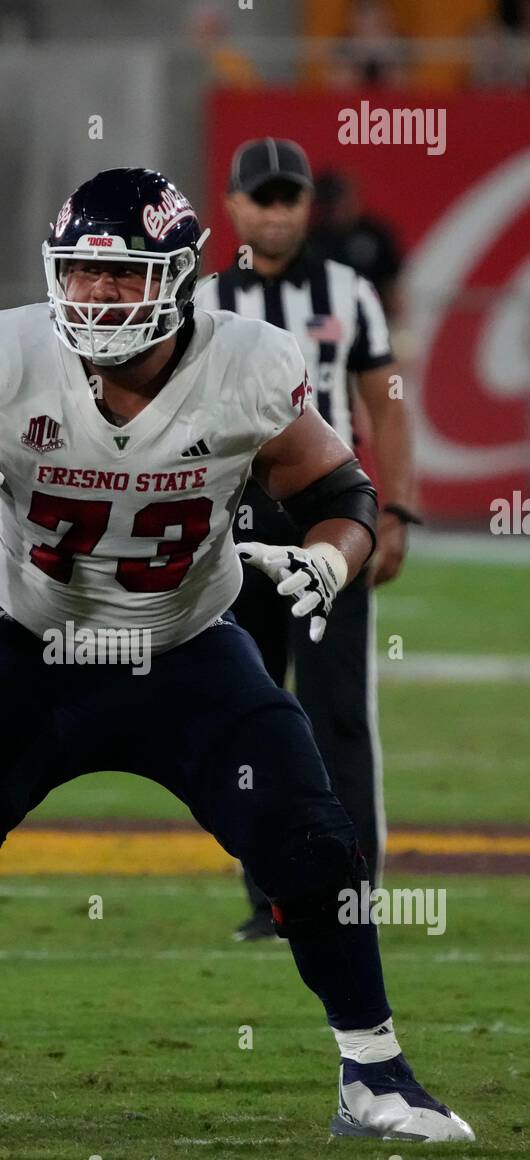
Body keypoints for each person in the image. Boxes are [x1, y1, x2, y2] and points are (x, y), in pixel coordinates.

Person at [0, 167, 471, 1142]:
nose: (95, 296)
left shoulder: (243, 365)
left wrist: (329, 562)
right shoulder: (7, 359)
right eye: (79, 275)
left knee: (307, 831)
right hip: (26, 645)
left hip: (183, 648)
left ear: (177, 277)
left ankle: (373, 1073)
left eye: (122, 273)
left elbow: (338, 494)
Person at [197, 138, 419, 942]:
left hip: (331, 526)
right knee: (251, 716)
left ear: (304, 207)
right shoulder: (204, 300)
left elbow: (384, 401)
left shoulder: (347, 290)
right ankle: (272, 896)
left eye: (289, 197)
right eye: (262, 197)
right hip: (237, 537)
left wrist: (394, 511)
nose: (277, 211)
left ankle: (351, 889)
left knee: (337, 714)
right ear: (232, 205)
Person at [309, 169, 403, 321]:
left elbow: (391, 289)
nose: (337, 210)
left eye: (341, 202)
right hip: (328, 323)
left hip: (373, 320)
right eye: (330, 205)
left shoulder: (375, 235)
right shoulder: (313, 241)